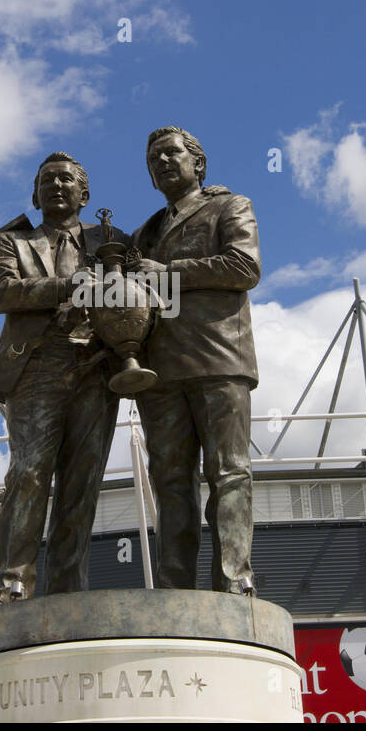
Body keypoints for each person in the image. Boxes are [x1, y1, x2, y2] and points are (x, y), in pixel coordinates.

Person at [0, 152, 128, 611]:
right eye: (47, 181)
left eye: (67, 180)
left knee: (82, 483)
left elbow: (139, 296)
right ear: (35, 194)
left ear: (85, 194)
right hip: (37, 364)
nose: (57, 186)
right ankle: (10, 586)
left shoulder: (112, 240)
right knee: (29, 474)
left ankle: (67, 593)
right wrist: (69, 285)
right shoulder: (11, 239)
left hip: (96, 366)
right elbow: (0, 295)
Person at [129, 126, 260, 596]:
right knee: (169, 481)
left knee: (228, 472)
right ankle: (174, 589)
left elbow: (244, 267)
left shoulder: (230, 206)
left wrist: (167, 274)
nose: (162, 162)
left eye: (171, 153)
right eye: (153, 159)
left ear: (197, 164)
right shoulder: (143, 233)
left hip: (219, 357)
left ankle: (234, 582)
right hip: (160, 370)